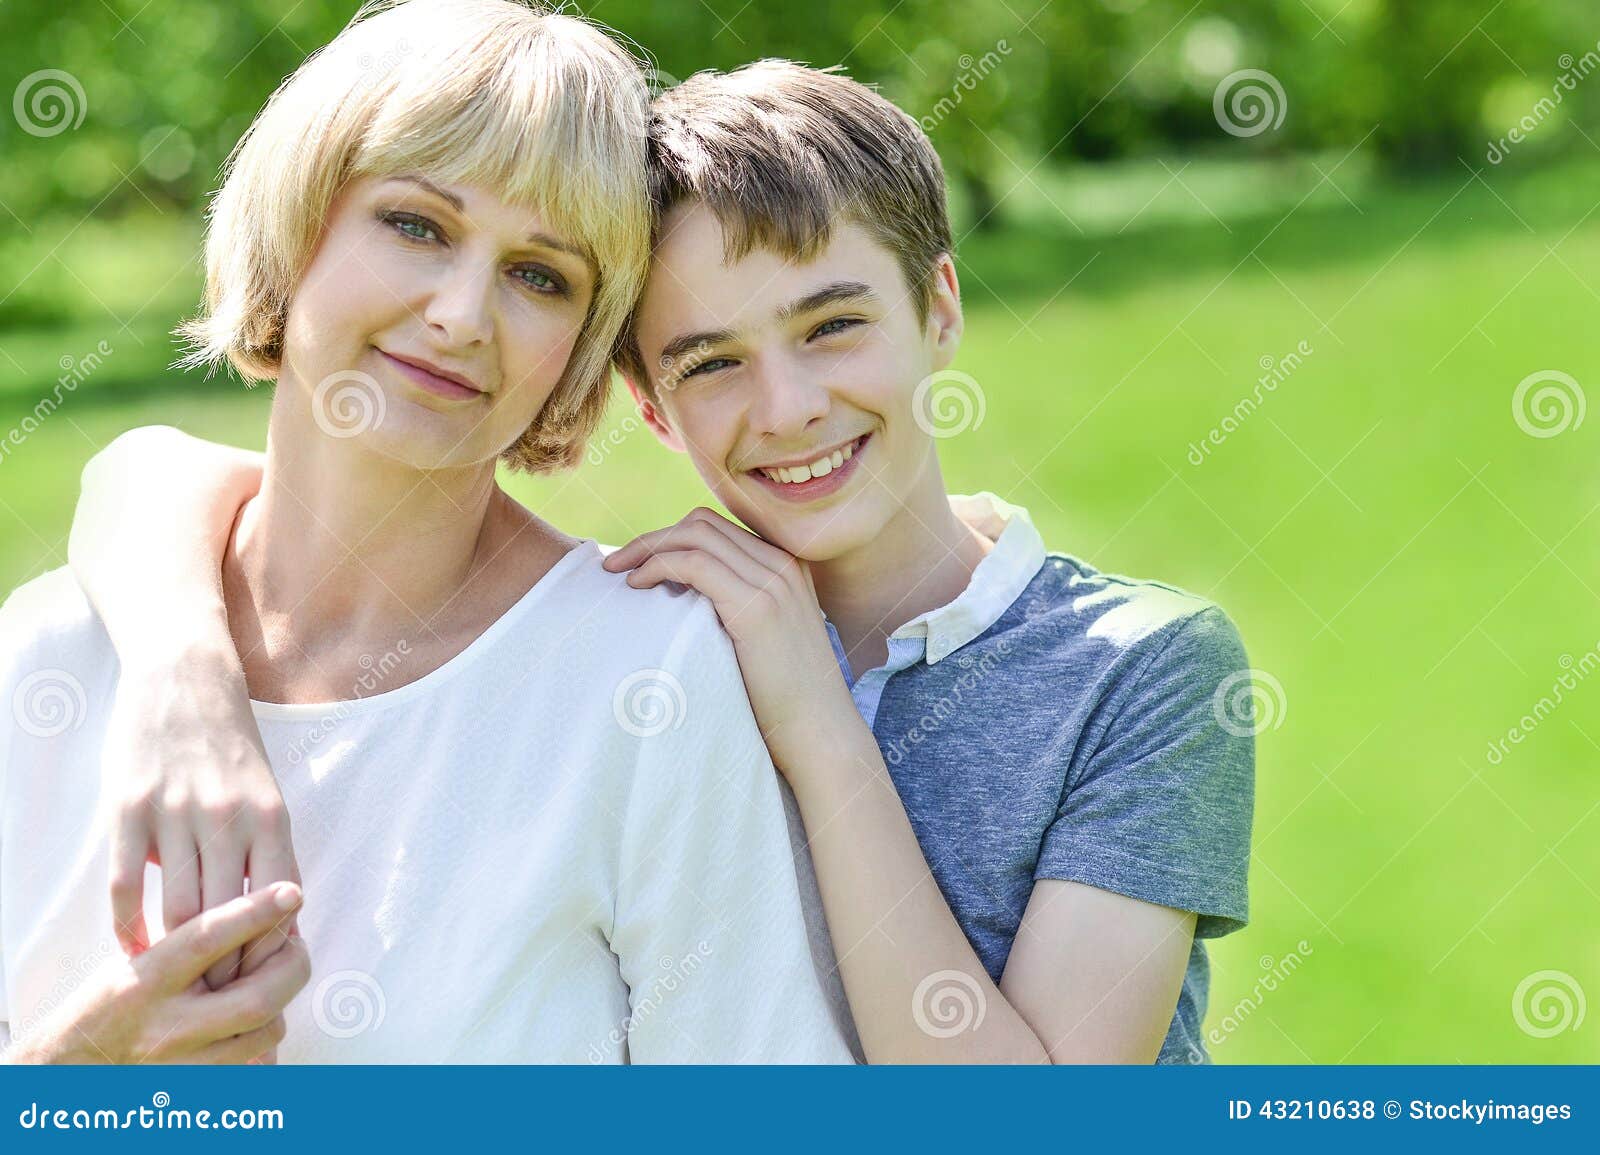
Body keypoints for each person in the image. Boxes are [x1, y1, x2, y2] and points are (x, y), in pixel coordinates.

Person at [64, 61, 1255, 1063]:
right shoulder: (667, 646)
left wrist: (818, 725)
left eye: (832, 325)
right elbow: (156, 471)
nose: (787, 409)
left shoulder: (1133, 670)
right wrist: (185, 672)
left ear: (938, 307)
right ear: (645, 402)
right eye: (710, 361)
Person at [0, 1, 853, 1064]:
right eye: (417, 224)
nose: (460, 314)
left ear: (583, 349)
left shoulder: (647, 686)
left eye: (540, 276)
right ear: (300, 219)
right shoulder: (42, 659)